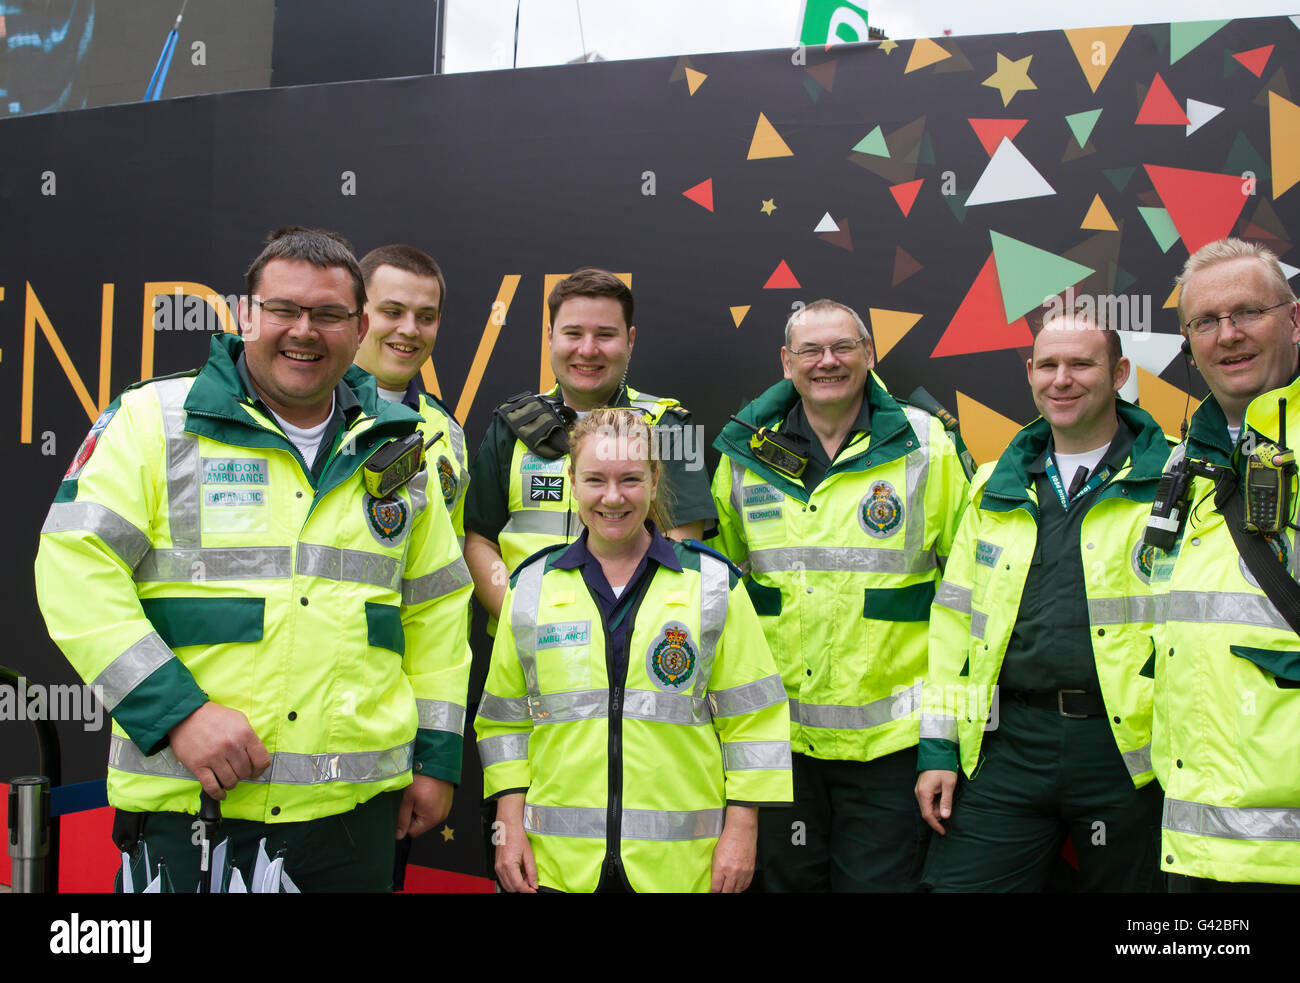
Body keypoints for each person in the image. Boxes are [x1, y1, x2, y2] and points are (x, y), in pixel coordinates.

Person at [34, 227, 473, 892]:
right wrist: (178, 712)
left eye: (327, 314)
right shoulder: (155, 420)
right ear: (245, 315)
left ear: (357, 329)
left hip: (354, 821)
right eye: (283, 310)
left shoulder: (398, 447)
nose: (304, 330)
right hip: (193, 812)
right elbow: (74, 569)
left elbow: (437, 609)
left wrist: (437, 759)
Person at [710, 298, 970, 892]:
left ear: (870, 355)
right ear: (786, 362)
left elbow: (972, 602)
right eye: (810, 350)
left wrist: (942, 745)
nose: (827, 362)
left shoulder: (926, 445)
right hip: (779, 748)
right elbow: (716, 596)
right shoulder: (745, 452)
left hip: (891, 752)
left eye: (843, 347)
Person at [476, 408, 792, 893]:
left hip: (682, 867)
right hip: (556, 867)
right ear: (572, 482)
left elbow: (754, 719)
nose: (612, 497)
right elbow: (505, 720)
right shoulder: (532, 587)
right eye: (595, 480)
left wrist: (742, 830)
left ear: (654, 479)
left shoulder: (711, 583)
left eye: (629, 479)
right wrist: (509, 823)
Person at [917, 312, 1169, 892]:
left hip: (1131, 749)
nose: (1063, 379)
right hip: (1008, 744)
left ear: (1121, 372)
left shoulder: (1174, 479)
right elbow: (954, 626)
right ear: (1030, 374)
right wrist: (937, 748)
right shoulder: (993, 486)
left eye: (1082, 364)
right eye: (1049, 365)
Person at [1148, 237, 1300, 889]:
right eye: (1206, 321)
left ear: (1293, 319)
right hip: (1199, 839)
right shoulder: (1183, 460)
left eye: (1248, 312)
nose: (1228, 335)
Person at [464, 268, 716, 628]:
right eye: (573, 333)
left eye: (605, 335)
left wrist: (616, 636)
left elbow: (683, 552)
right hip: (526, 650)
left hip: (634, 649)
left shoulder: (668, 426)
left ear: (630, 340)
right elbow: (480, 542)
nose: (587, 349)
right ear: (550, 337)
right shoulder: (510, 425)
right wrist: (518, 620)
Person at [355, 244, 469, 543]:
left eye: (426, 317)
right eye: (392, 312)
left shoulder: (448, 429)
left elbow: (453, 553)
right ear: (356, 311)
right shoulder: (311, 413)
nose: (410, 329)